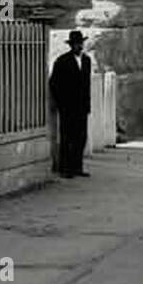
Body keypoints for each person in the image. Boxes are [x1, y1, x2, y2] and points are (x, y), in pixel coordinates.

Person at [50, 29, 92, 178]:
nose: (78, 46)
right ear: (71, 45)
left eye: (80, 43)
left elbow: (87, 85)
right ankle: (65, 169)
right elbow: (54, 84)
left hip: (82, 107)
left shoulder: (87, 61)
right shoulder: (62, 61)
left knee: (81, 137)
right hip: (68, 107)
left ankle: (77, 167)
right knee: (67, 137)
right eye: (75, 44)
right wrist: (61, 103)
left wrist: (87, 105)